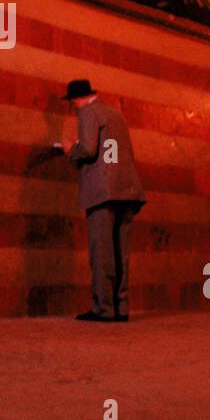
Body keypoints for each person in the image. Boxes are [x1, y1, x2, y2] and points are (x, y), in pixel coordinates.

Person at [52, 79, 145, 322]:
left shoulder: (87, 112)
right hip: (127, 190)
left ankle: (103, 309)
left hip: (102, 192)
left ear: (77, 99)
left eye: (72, 102)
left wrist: (70, 149)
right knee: (121, 253)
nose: (73, 106)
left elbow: (89, 150)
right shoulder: (116, 113)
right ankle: (121, 308)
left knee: (101, 252)